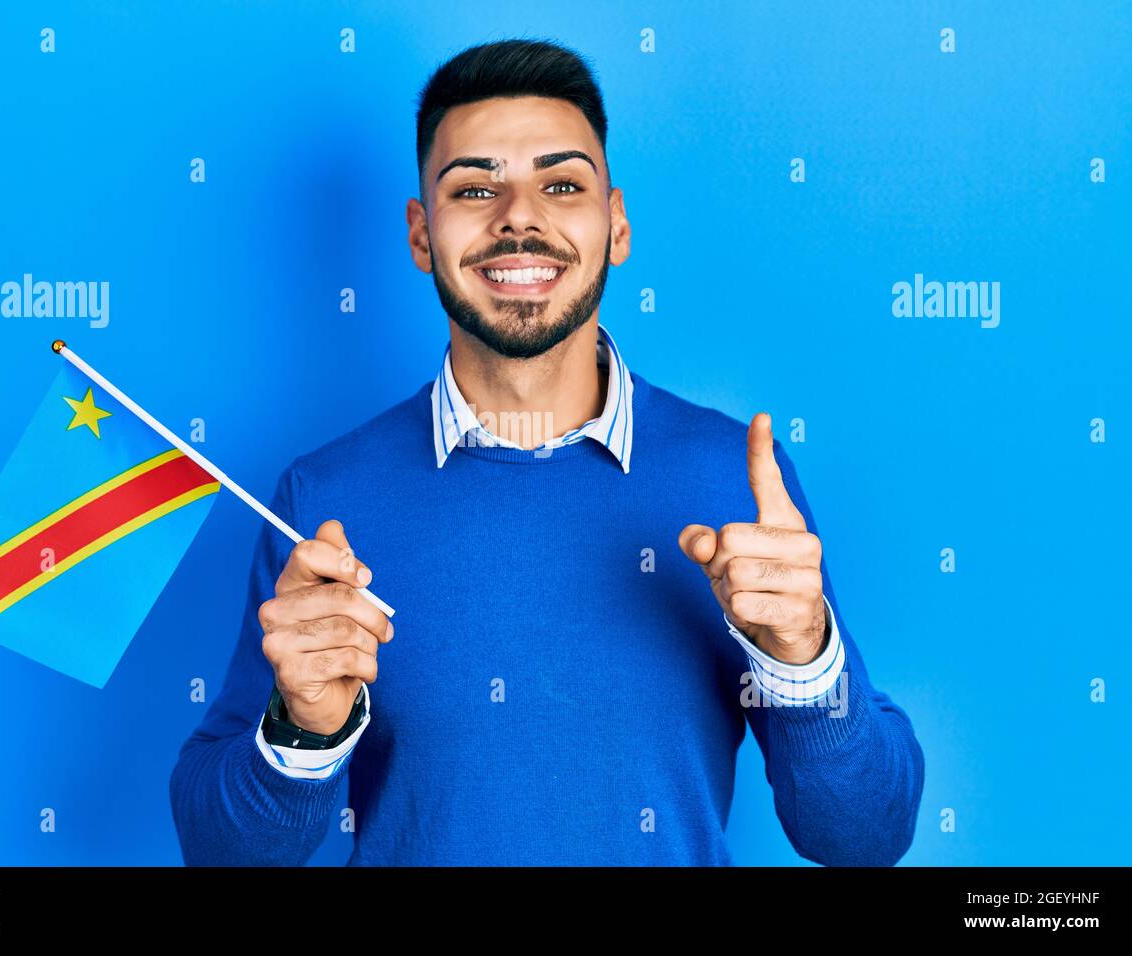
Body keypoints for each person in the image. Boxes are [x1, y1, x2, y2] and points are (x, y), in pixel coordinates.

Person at [169, 37, 925, 866]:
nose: (518, 218)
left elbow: (865, 836)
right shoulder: (322, 500)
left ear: (617, 225)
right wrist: (300, 730)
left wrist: (805, 659)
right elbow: (222, 849)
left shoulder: (736, 483)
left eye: (562, 185)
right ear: (422, 235)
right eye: (475, 188)